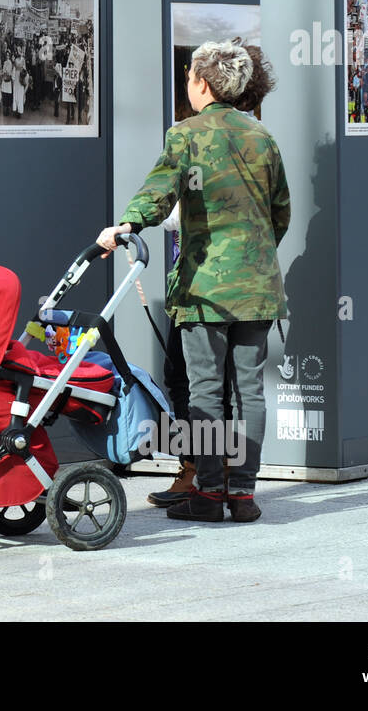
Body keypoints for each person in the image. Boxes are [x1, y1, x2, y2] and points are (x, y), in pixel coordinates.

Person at [98, 40, 289, 523]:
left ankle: (208, 493)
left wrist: (127, 225)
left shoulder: (186, 134)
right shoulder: (263, 137)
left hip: (207, 289)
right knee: (249, 391)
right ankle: (243, 496)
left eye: (189, 77)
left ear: (202, 82)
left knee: (205, 390)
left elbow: (160, 189)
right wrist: (255, 257)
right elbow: (280, 213)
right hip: (259, 285)